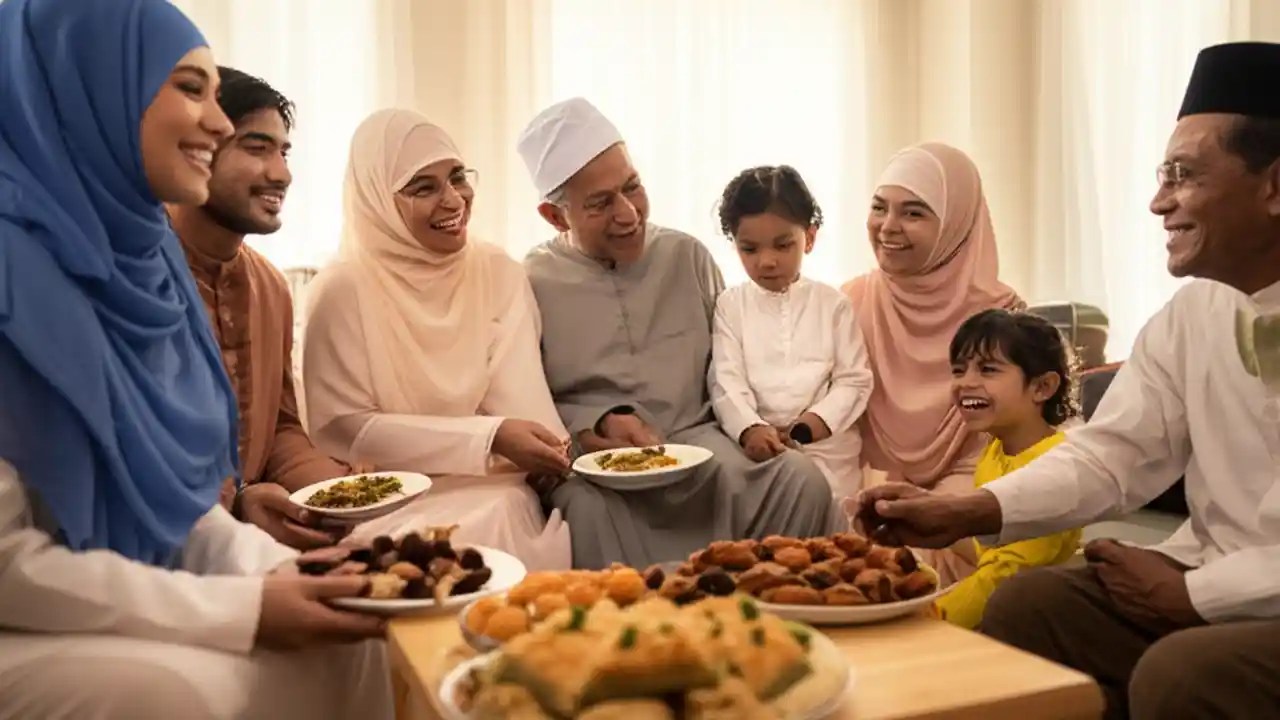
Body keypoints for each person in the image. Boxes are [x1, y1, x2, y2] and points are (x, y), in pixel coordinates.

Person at [855, 41, 1280, 720]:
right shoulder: (1194, 312)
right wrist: (967, 511)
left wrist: (1194, 597)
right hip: (1203, 570)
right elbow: (1111, 454)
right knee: (1030, 604)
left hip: (1250, 595)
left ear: (1274, 186)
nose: (1157, 202)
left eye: (1182, 174)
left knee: (1182, 673)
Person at [0, 2, 392, 718]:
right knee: (178, 695)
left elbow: (173, 511)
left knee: (353, 628)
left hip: (125, 577)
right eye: (189, 89)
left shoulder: (140, 269)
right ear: (84, 88)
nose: (215, 122)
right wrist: (241, 607)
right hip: (20, 598)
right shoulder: (13, 266)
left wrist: (288, 571)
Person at [516, 97, 836, 569]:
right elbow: (526, 397)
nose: (628, 214)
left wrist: (751, 424)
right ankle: (633, 634)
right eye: (601, 203)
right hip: (602, 469)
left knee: (799, 480)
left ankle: (772, 619)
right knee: (581, 510)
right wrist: (589, 428)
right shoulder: (530, 281)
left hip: (702, 447)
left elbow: (731, 364)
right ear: (555, 216)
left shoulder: (687, 256)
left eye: (633, 188)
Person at [302, 108, 573, 571]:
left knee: (498, 518)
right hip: (382, 490)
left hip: (491, 482)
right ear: (376, 200)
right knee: (397, 549)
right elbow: (343, 426)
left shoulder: (497, 271)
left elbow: (520, 396)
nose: (453, 201)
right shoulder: (341, 289)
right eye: (423, 188)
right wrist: (489, 436)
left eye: (458, 178)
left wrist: (541, 446)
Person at [170, 67, 353, 550]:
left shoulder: (270, 287)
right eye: (256, 148)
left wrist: (336, 492)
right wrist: (238, 506)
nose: (282, 173)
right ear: (196, 147)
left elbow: (279, 431)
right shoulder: (128, 273)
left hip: (245, 537)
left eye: (284, 151)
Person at [842, 141, 1023, 585]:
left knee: (939, 545)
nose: (888, 227)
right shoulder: (849, 302)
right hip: (870, 475)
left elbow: (1021, 435)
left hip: (972, 478)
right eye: (879, 207)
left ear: (957, 225)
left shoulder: (1006, 318)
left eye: (914, 213)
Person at [709, 165, 874, 500]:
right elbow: (726, 380)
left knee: (834, 537)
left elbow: (854, 379)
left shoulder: (833, 304)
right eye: (750, 249)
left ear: (808, 238)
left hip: (828, 449)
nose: (767, 261)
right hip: (754, 449)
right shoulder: (730, 305)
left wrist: (809, 426)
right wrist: (751, 428)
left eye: (782, 245)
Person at [932, 309, 1081, 629]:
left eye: (988, 370)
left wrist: (926, 619)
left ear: (1042, 387)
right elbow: (990, 550)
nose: (966, 382)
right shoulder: (997, 450)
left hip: (1035, 630)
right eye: (958, 370)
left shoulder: (1053, 466)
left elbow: (1003, 577)